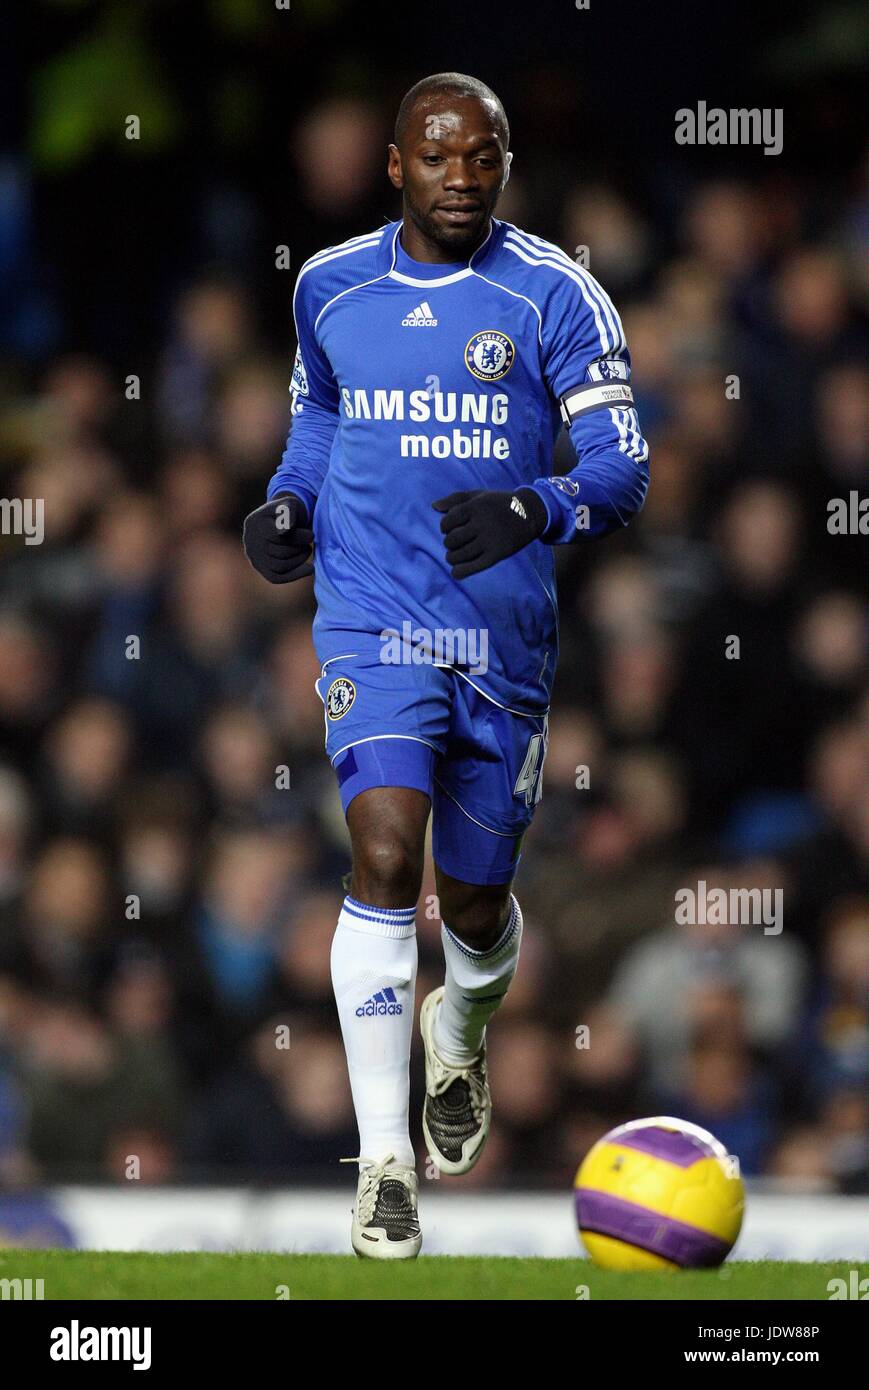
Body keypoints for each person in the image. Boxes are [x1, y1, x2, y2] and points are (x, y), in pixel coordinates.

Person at [243, 71, 649, 1258]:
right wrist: (284, 502)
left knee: (471, 907)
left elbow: (622, 466)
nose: (459, 179)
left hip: (500, 643)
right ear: (393, 165)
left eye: (482, 158)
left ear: (505, 165)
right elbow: (318, 414)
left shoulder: (555, 294)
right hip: (370, 620)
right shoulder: (329, 283)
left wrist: (538, 506)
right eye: (436, 158)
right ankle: (381, 1165)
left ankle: (458, 1032)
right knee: (380, 851)